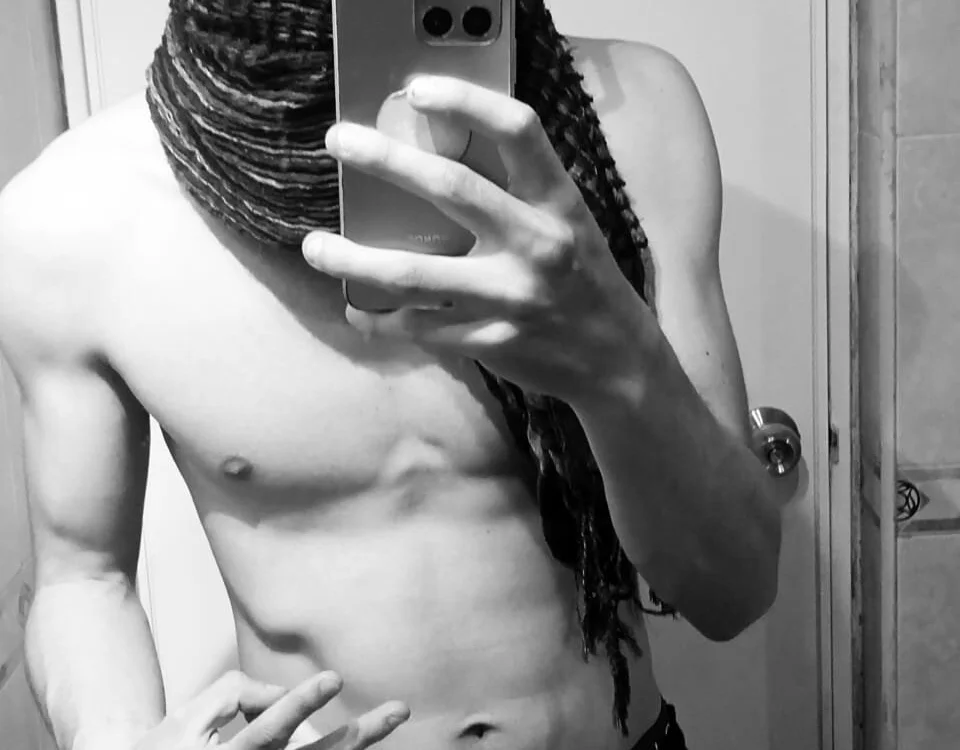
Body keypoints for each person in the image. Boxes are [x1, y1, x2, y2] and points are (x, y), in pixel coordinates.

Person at [0, 1, 783, 749]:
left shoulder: (635, 120)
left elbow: (735, 591)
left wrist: (617, 362)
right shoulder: (76, 216)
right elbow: (82, 579)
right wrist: (118, 740)